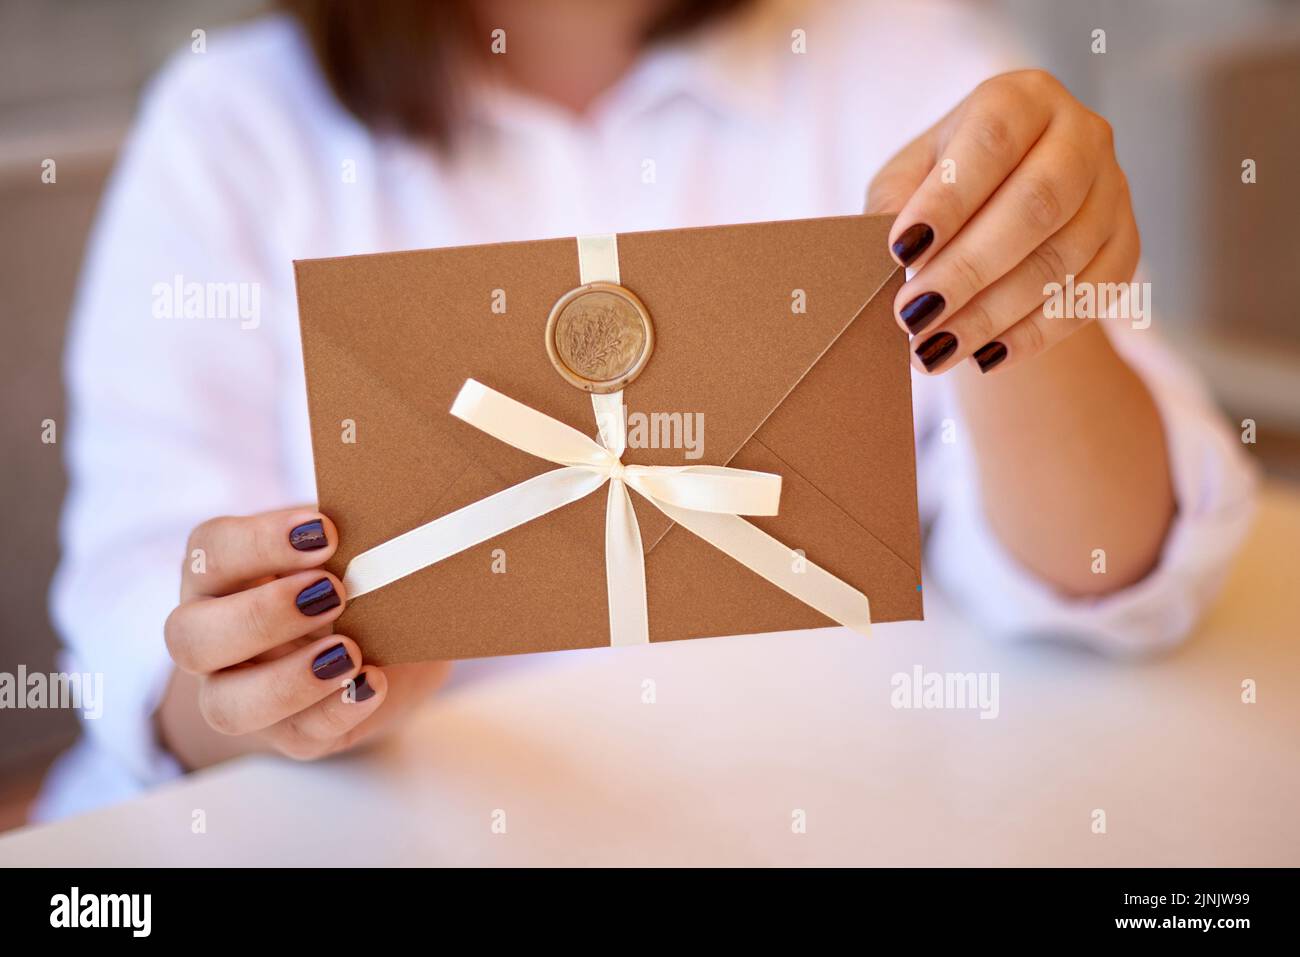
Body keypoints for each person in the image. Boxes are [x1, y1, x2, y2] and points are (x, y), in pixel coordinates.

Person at [38, 0, 1255, 820]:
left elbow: (1108, 572)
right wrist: (267, 690)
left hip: (831, 805)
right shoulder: (230, 127)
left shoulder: (916, 60)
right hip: (376, 820)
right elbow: (137, 626)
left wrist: (1025, 298)